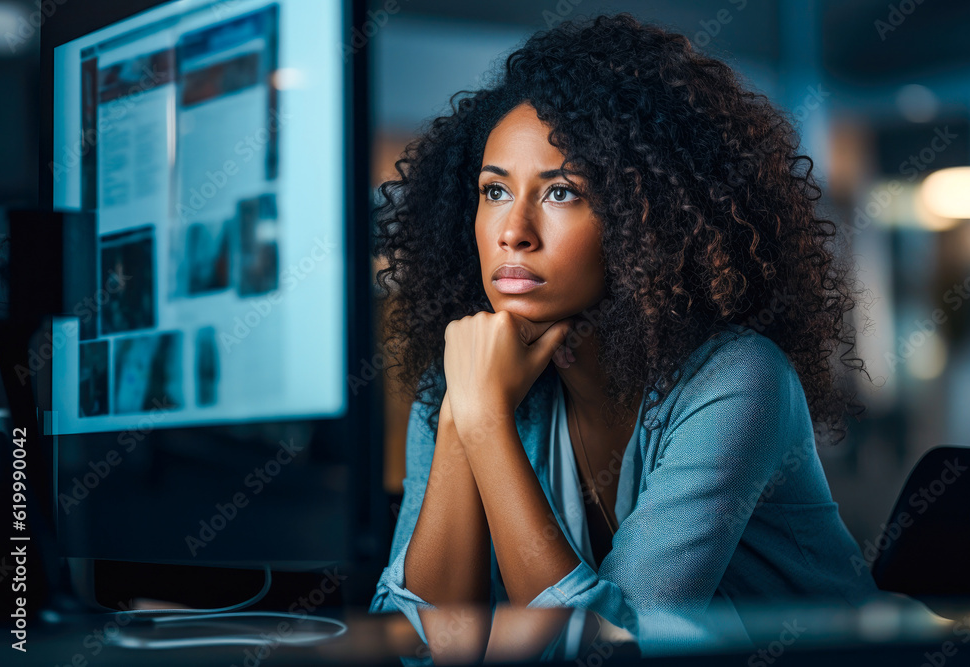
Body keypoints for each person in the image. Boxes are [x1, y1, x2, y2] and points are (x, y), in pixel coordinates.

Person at [369, 12, 879, 653]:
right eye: (494, 190)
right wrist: (460, 415)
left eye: (561, 194)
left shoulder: (736, 377)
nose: (513, 232)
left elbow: (607, 649)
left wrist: (483, 423)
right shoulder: (463, 378)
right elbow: (419, 644)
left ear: (651, 218)